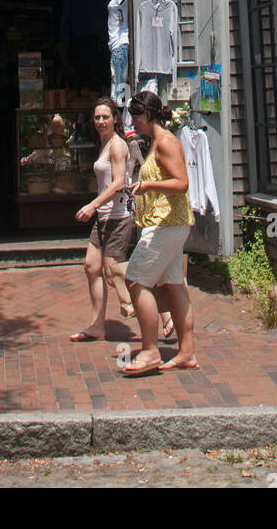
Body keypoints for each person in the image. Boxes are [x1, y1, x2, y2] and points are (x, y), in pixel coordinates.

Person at [119, 91, 198, 375]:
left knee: (136, 279)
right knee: (175, 284)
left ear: (148, 114)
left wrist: (148, 186)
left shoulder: (165, 142)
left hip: (167, 225)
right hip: (168, 224)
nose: (133, 122)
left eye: (136, 116)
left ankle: (150, 350)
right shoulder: (156, 142)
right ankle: (186, 352)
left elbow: (182, 183)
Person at [69, 98, 136, 341]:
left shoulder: (117, 145)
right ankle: (97, 324)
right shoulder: (104, 143)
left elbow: (119, 183)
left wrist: (92, 204)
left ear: (115, 118)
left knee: (114, 274)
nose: (100, 121)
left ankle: (163, 311)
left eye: (105, 117)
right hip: (103, 217)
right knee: (91, 266)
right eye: (97, 117)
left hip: (118, 217)